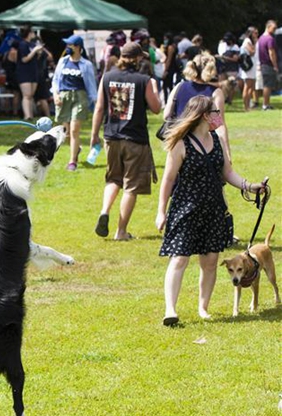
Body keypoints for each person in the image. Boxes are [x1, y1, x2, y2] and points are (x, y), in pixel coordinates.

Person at [156, 95, 267, 327]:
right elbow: (168, 179)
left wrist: (250, 186)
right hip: (186, 209)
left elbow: (227, 173)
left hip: (213, 209)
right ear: (205, 115)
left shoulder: (216, 140)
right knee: (179, 259)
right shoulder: (180, 143)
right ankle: (170, 309)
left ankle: (203, 308)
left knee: (209, 262)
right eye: (216, 112)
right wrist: (161, 211)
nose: (219, 116)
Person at [90, 42, 161, 241]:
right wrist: (154, 88)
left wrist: (94, 135)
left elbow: (99, 108)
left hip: (111, 137)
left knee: (113, 179)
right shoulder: (143, 80)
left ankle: (104, 211)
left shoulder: (107, 76)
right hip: (135, 139)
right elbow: (156, 108)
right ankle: (121, 231)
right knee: (131, 186)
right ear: (138, 58)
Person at [164, 53, 230, 150]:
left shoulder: (179, 86)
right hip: (205, 145)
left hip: (179, 142)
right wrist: (227, 151)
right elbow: (219, 125)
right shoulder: (216, 92)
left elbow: (166, 115)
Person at [52, 34, 98, 171]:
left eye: (70, 45)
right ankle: (76, 149)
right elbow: (55, 80)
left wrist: (95, 103)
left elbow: (91, 84)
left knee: (74, 130)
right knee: (66, 133)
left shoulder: (86, 64)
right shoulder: (62, 62)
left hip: (80, 97)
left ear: (78, 47)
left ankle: (72, 162)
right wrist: (55, 95)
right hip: (63, 97)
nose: (67, 47)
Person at [15, 26, 43, 120]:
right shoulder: (22, 44)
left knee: (31, 95)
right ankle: (27, 116)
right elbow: (24, 59)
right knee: (26, 95)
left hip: (33, 71)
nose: (34, 34)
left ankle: (31, 115)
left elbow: (35, 59)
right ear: (28, 33)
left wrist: (38, 53)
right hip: (24, 72)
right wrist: (34, 51)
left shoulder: (32, 44)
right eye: (32, 32)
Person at [258, 20, 279, 110]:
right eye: (273, 28)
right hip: (268, 64)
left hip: (263, 64)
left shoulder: (261, 38)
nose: (275, 30)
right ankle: (265, 105)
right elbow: (272, 53)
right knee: (268, 85)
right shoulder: (270, 39)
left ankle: (267, 103)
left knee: (267, 85)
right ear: (268, 27)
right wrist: (275, 65)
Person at [239, 26, 260, 111]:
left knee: (252, 86)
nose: (257, 35)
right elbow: (252, 52)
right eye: (255, 33)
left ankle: (249, 105)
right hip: (248, 67)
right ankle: (246, 106)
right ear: (251, 33)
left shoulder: (251, 41)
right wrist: (255, 43)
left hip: (253, 66)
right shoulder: (247, 41)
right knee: (247, 86)